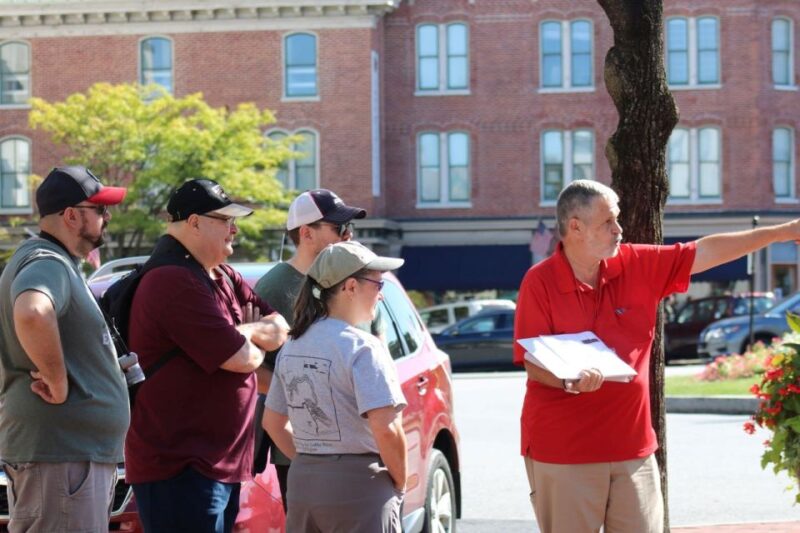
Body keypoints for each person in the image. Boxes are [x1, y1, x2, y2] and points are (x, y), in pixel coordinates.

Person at [513, 179, 800, 533]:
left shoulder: (637, 264)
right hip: (564, 452)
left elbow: (706, 251)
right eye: (608, 222)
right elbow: (533, 363)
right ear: (575, 227)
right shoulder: (538, 282)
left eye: (617, 219)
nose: (619, 229)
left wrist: (782, 232)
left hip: (634, 450)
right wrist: (568, 381)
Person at [124, 178, 289, 532]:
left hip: (216, 466)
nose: (235, 229)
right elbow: (243, 359)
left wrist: (245, 333)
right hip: (182, 470)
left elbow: (280, 328)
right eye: (225, 220)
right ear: (194, 222)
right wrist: (247, 340)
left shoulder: (224, 275)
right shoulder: (172, 280)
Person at [0, 166, 130, 531]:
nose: (107, 217)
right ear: (71, 216)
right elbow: (32, 311)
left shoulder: (53, 262)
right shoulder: (48, 261)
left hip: (67, 461)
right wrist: (58, 382)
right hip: (63, 462)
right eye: (100, 209)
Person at [263, 241, 407, 532]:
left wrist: (315, 462)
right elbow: (387, 429)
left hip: (304, 483)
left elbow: (273, 422)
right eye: (378, 285)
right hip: (360, 487)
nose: (381, 295)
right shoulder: (363, 346)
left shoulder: (293, 344)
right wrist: (399, 482)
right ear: (350, 286)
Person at [253, 188, 366, 505]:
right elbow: (256, 368)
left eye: (349, 228)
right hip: (300, 450)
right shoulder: (274, 287)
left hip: (357, 446)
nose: (349, 235)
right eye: (339, 228)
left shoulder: (352, 281)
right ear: (306, 233)